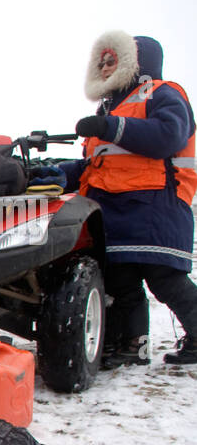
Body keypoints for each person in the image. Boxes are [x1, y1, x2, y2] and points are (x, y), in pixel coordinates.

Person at [60, 32, 197, 368]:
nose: (105, 68)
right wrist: (52, 173)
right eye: (101, 62)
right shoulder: (109, 108)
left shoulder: (164, 92)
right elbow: (96, 164)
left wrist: (110, 126)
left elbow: (168, 136)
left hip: (156, 204)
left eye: (113, 61)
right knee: (122, 284)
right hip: (112, 209)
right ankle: (131, 347)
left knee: (165, 279)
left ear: (136, 63)